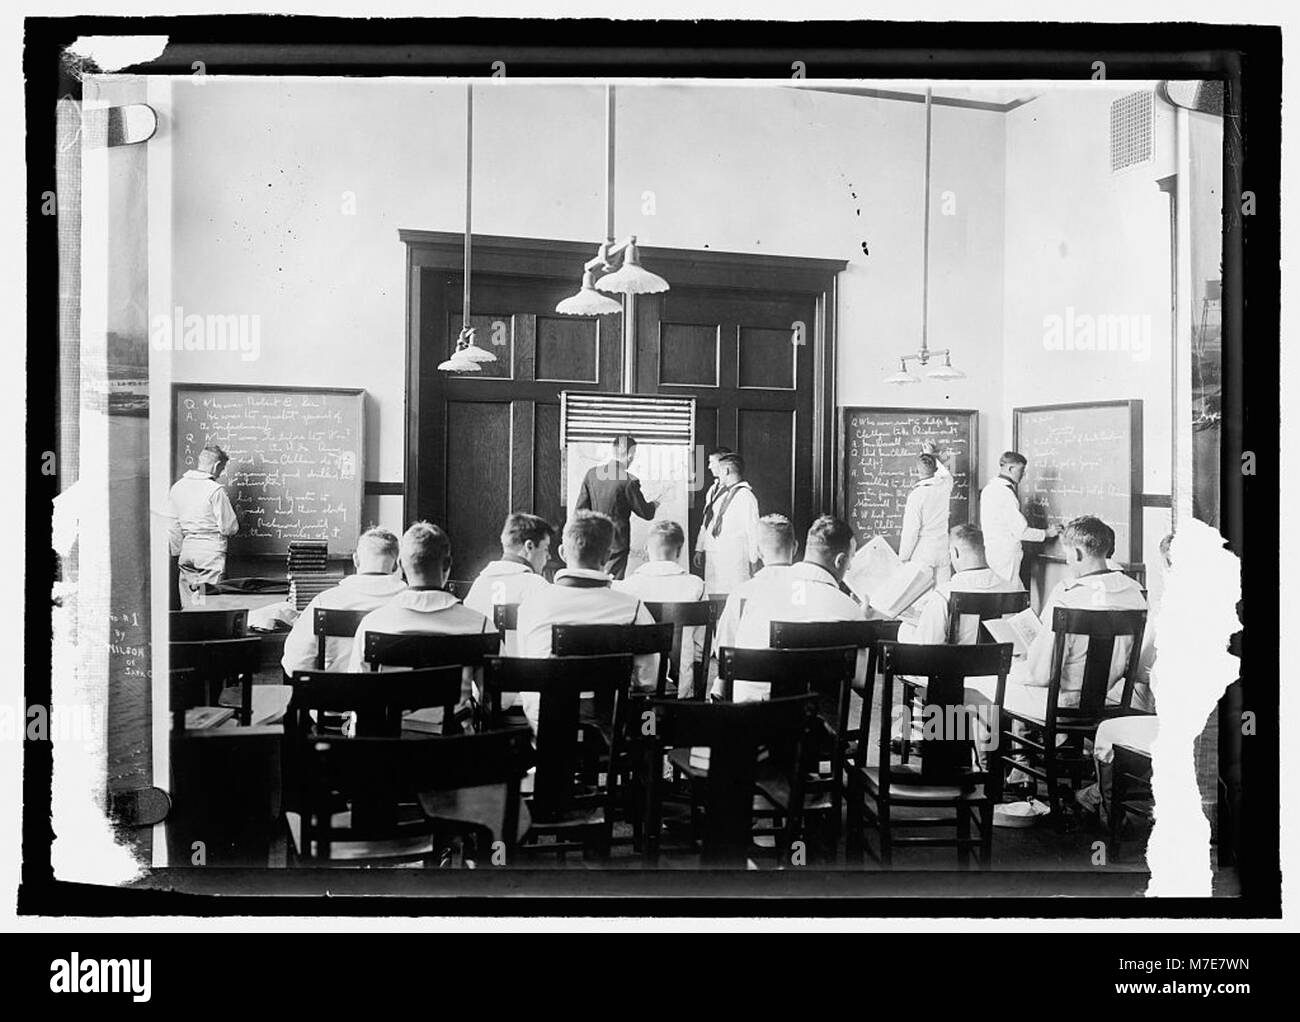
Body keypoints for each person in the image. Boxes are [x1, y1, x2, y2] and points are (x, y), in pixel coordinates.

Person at [968, 515, 1147, 721]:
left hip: (1062, 704)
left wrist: (1014, 666)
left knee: (975, 685)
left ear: (1078, 553)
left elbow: (1041, 675)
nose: (1068, 562)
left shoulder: (1067, 598)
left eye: (1067, 555)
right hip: (1107, 700)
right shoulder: (1136, 595)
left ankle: (1004, 753)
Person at [514, 510, 659, 732]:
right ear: (607, 556)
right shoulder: (632, 609)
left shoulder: (533, 604)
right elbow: (649, 680)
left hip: (548, 725)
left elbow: (526, 669)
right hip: (609, 727)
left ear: (562, 552)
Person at [731, 515, 883, 701]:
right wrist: (861, 619)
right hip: (814, 724)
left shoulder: (762, 593)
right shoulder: (848, 609)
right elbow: (860, 680)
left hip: (755, 719)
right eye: (850, 559)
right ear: (840, 561)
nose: (850, 567)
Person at [346, 522, 490, 676]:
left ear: (400, 564)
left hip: (390, 700)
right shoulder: (480, 625)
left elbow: (357, 688)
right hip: (454, 700)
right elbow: (503, 696)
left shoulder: (373, 624)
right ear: (447, 564)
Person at [279, 526, 406, 674]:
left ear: (356, 560)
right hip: (398, 695)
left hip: (334, 693)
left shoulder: (325, 601)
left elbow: (295, 664)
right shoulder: (410, 605)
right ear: (396, 565)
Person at [614, 520, 706, 694]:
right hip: (681, 690)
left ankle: (650, 721)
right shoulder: (696, 586)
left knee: (648, 718)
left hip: (638, 688)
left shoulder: (627, 587)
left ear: (646, 549)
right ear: (679, 551)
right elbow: (700, 647)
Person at [898, 524, 1024, 645]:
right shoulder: (1013, 590)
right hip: (999, 666)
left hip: (954, 667)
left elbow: (927, 648)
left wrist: (906, 628)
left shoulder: (943, 595)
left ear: (955, 552)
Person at [463, 513, 554, 656]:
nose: (548, 556)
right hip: (523, 673)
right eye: (546, 548)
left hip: (484, 674)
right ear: (529, 546)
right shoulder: (537, 586)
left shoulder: (479, 585)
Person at [574, 434, 659, 580]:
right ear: (630, 455)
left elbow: (580, 511)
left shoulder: (592, 474)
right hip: (617, 543)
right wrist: (654, 504)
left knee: (592, 580)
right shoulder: (629, 481)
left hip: (592, 540)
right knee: (613, 584)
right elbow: (646, 513)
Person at [166, 444, 240, 607]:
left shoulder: (178, 487)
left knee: (189, 604)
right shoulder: (215, 490)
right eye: (222, 469)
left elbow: (173, 526)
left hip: (187, 550)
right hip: (209, 553)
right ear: (216, 465)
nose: (221, 473)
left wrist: (179, 552)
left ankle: (190, 629)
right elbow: (229, 527)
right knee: (207, 604)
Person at [714, 513, 798, 651]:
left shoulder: (741, 594)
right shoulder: (809, 591)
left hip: (752, 671)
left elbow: (723, 648)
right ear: (795, 548)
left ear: (758, 551)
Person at [979, 451, 1060, 587]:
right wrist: (1047, 533)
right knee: (1011, 595)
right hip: (1007, 556)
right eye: (1021, 470)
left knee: (1000, 593)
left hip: (993, 552)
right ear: (1010, 469)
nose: (1023, 475)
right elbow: (1021, 531)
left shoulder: (989, 489)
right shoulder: (1005, 493)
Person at [698, 452, 760, 596]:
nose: (718, 475)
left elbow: (753, 530)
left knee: (734, 595)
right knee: (714, 593)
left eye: (719, 471)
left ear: (726, 471)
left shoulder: (746, 496)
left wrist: (753, 560)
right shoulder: (723, 495)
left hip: (736, 558)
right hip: (718, 556)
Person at [898, 442, 955, 586]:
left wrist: (903, 557)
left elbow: (911, 530)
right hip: (942, 548)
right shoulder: (945, 486)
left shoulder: (916, 495)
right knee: (943, 593)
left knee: (922, 599)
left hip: (923, 552)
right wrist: (930, 455)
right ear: (935, 468)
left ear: (917, 471)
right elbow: (946, 474)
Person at [693, 446, 734, 575]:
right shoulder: (712, 489)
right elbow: (707, 519)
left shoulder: (737, 491)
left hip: (728, 549)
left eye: (712, 463)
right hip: (711, 547)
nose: (709, 467)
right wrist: (699, 548)